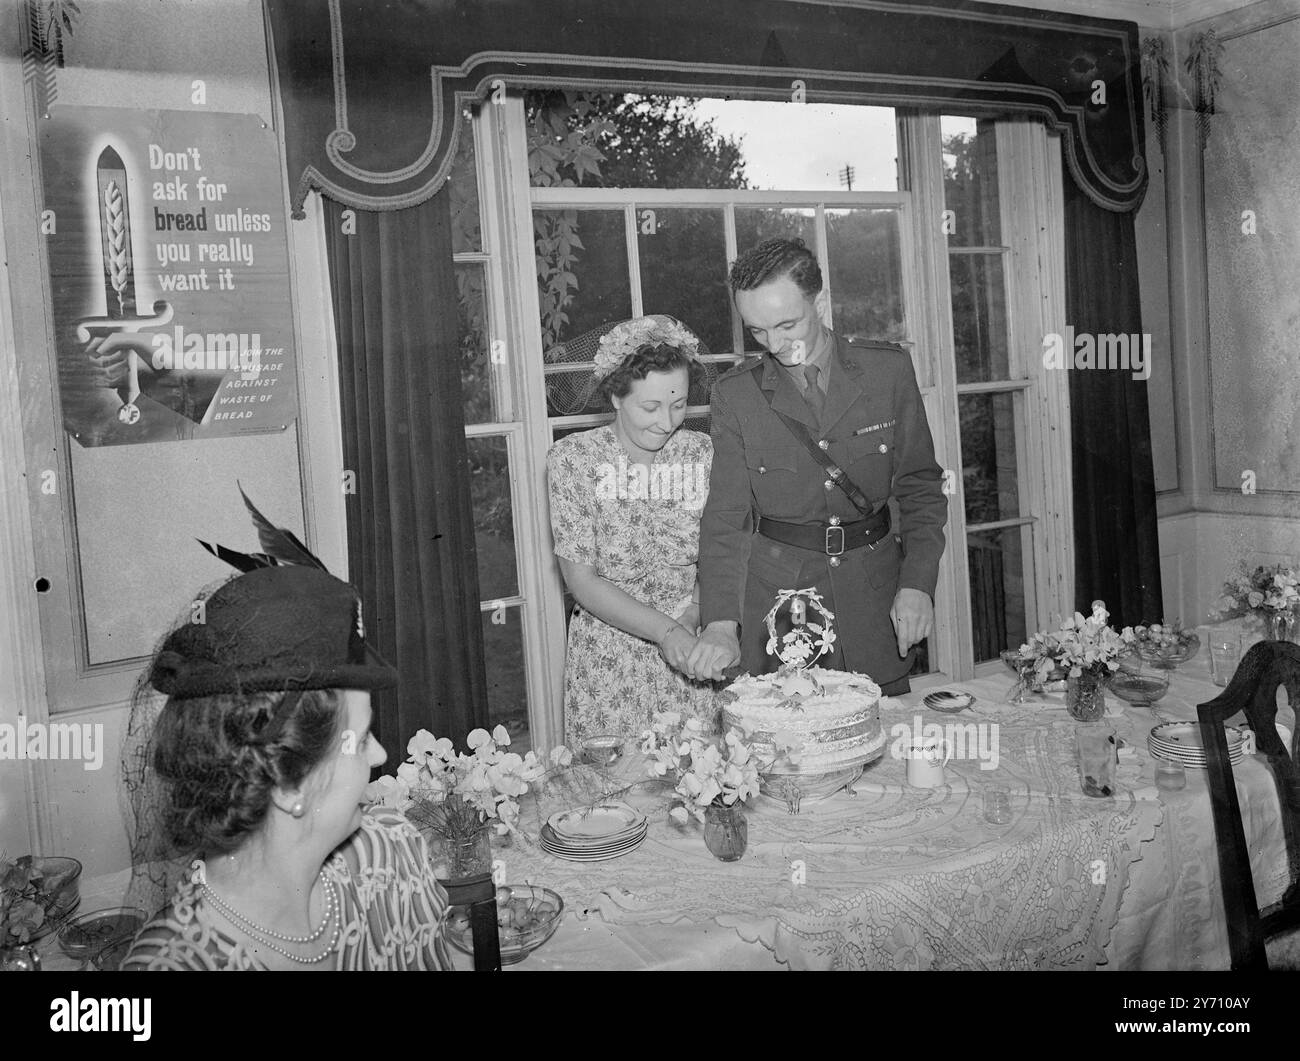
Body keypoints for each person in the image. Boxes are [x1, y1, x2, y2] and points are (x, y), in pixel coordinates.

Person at [121, 564, 452, 970]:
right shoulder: (175, 965)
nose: (380, 755)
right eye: (362, 739)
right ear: (287, 783)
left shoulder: (391, 855)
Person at [688, 238, 948, 695]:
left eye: (787, 324)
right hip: (784, 606)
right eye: (758, 332)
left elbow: (921, 487)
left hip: (875, 598)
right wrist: (720, 624)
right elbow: (725, 521)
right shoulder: (736, 395)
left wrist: (918, 583)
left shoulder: (887, 371)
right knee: (792, 747)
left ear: (821, 302)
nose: (775, 344)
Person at [546, 315, 719, 743]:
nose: (667, 421)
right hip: (609, 661)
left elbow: (721, 552)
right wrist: (665, 630)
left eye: (678, 405)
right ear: (615, 396)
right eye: (650, 407)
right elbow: (581, 582)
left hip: (692, 652)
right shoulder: (573, 461)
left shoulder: (702, 452)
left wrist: (694, 613)